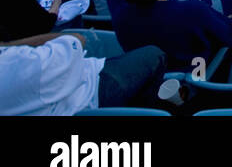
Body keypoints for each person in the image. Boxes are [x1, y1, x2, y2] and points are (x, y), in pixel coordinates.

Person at [0, 33, 167, 115]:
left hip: (73, 85)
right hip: (91, 92)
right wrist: (9, 45)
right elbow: (76, 39)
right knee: (154, 55)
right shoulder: (16, 63)